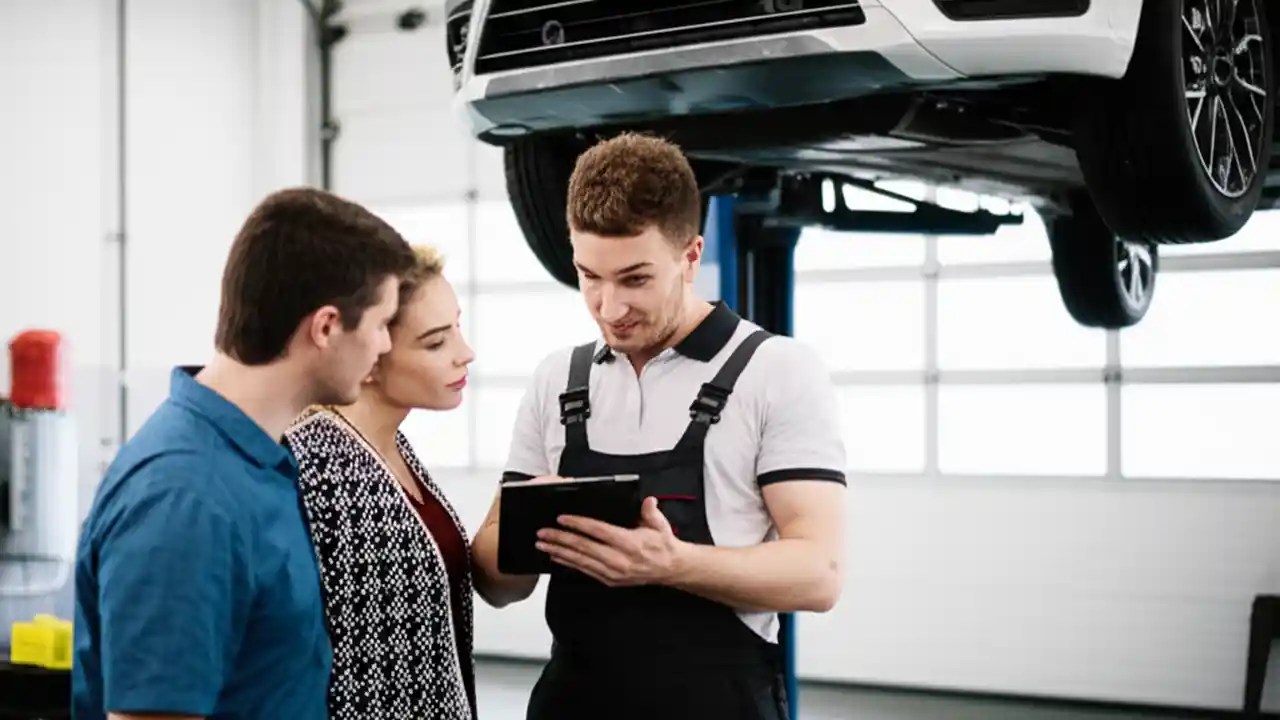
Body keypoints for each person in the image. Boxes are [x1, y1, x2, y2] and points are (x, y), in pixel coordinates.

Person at [470, 133, 848, 720]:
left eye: (635, 279)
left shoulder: (776, 370)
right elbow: (498, 585)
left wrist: (669, 564)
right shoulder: (557, 380)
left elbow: (818, 575)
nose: (609, 307)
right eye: (588, 276)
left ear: (690, 256)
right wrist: (527, 526)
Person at [71, 187, 417, 720]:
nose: (385, 347)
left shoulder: (257, 462)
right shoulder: (185, 498)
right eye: (379, 325)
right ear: (325, 327)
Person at [285, 244, 478, 720]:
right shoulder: (315, 463)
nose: (465, 354)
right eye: (436, 342)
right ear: (371, 354)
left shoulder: (391, 446)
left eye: (457, 327)